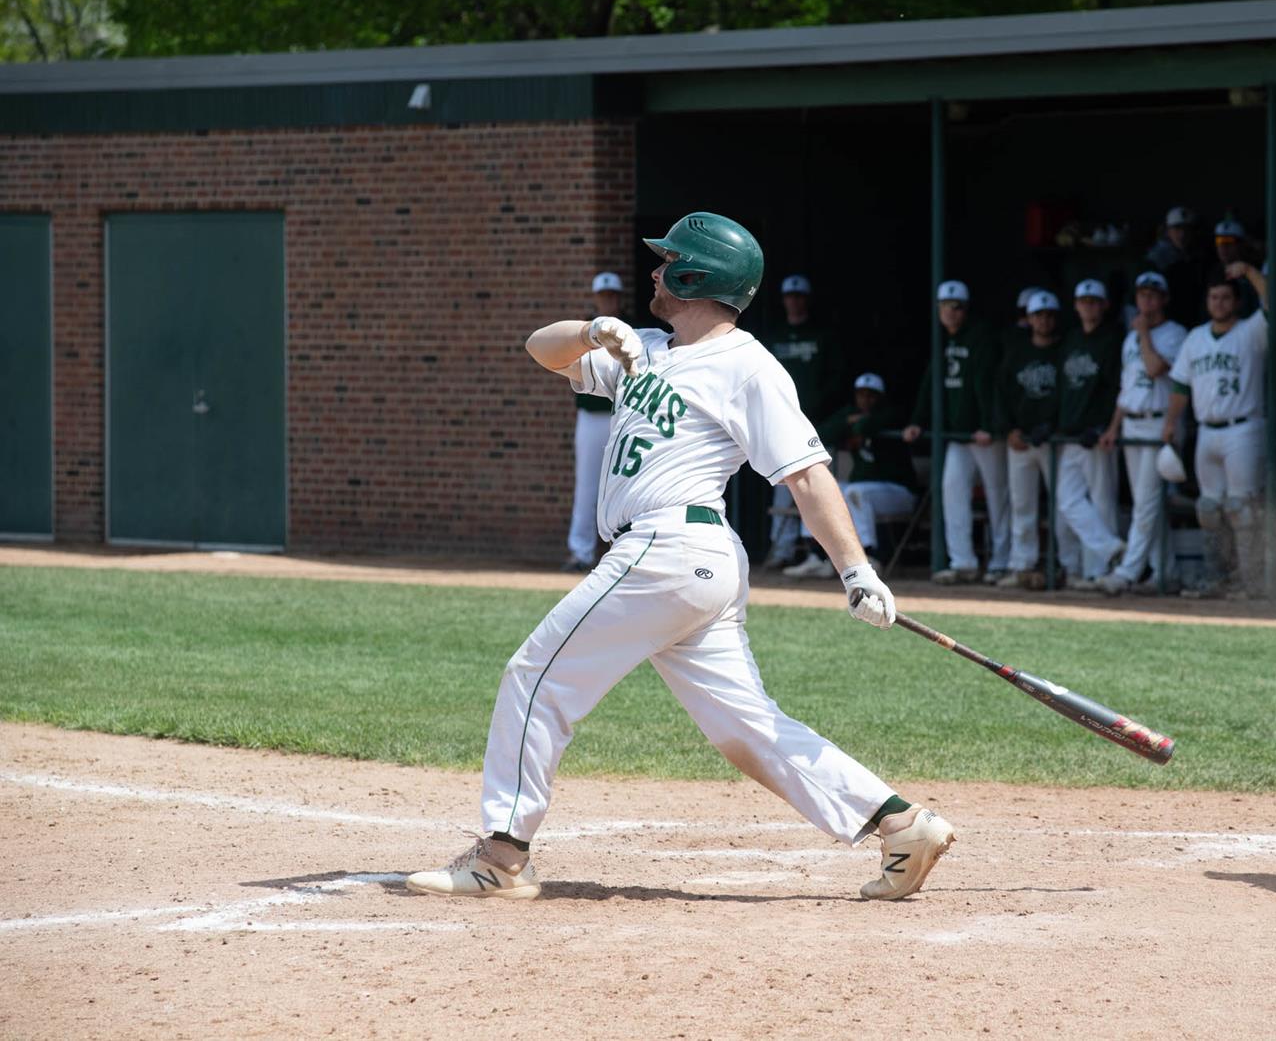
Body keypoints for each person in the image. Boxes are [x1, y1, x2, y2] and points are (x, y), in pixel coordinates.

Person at [406, 212, 955, 903]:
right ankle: (900, 823)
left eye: (669, 263)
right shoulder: (645, 349)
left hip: (668, 548)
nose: (657, 272)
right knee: (745, 727)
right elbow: (538, 349)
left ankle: (500, 856)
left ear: (700, 276)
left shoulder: (747, 365)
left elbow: (807, 474)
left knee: (535, 676)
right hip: (686, 562)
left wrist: (856, 570)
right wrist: (588, 332)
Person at [1163, 265, 1270, 598]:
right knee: (1209, 509)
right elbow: (1180, 386)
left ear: (1236, 301)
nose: (1219, 302)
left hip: (1243, 428)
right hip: (1206, 431)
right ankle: (1218, 578)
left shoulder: (1250, 331)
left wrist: (1251, 272)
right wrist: (1170, 423)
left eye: (1225, 297)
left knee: (1241, 509)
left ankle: (1249, 581)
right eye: (1214, 297)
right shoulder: (1195, 338)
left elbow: (1274, 302)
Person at [903, 280, 1011, 585]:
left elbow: (989, 385)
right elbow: (930, 384)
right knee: (951, 490)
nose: (950, 313)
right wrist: (918, 420)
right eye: (944, 307)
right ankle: (962, 561)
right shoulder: (942, 340)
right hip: (957, 435)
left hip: (983, 435)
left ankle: (1001, 562)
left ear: (965, 309)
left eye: (956, 307)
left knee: (997, 496)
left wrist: (990, 426)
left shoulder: (981, 336)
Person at [1100, 271, 1189, 595]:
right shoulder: (1130, 338)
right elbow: (1127, 387)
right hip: (1132, 421)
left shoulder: (1174, 333)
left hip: (1158, 423)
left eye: (1153, 295)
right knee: (1145, 504)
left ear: (1164, 299)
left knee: (1147, 504)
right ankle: (1166, 572)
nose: (1146, 301)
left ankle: (1127, 573)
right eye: (1142, 295)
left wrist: (1143, 335)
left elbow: (1155, 369)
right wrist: (1113, 427)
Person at [786, 373, 918, 578]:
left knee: (857, 492)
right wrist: (848, 422)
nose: (866, 400)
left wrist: (856, 426)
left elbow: (870, 424)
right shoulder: (850, 413)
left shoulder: (892, 413)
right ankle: (817, 556)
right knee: (817, 489)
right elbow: (821, 433)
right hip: (867, 488)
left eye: (871, 396)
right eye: (861, 395)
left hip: (899, 492)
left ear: (881, 397)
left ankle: (870, 557)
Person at [762, 273, 848, 568]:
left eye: (799, 297)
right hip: (781, 422)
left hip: (815, 423)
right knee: (782, 486)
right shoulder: (775, 336)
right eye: (790, 297)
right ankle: (782, 549)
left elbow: (837, 380)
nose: (794, 302)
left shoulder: (823, 336)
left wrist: (816, 407)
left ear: (807, 300)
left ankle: (817, 552)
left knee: (813, 483)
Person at [1053, 279, 1126, 588]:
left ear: (1105, 305)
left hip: (1097, 436)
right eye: (1084, 301)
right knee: (1066, 500)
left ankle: (1100, 573)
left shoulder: (1112, 339)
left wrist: (1107, 427)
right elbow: (1063, 388)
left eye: (1094, 301)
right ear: (1076, 305)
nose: (1089, 306)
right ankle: (1110, 550)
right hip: (1071, 434)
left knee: (1102, 502)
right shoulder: (1070, 339)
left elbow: (1117, 389)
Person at [995, 289, 1067, 589]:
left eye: (1050, 315)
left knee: (1063, 504)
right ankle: (1021, 565)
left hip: (1054, 442)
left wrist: (1055, 427)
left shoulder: (1064, 351)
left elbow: (1069, 395)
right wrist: (1008, 429)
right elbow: (1000, 395)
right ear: (1029, 318)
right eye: (1039, 315)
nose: (1044, 321)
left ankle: (1070, 565)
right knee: (1022, 505)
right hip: (1021, 440)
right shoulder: (1017, 353)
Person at [565, 272, 626, 570]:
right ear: (596, 298)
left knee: (625, 483)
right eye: (603, 295)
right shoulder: (583, 331)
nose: (608, 300)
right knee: (586, 486)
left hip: (620, 416)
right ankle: (581, 551)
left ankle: (622, 553)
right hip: (590, 416)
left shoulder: (631, 330)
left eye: (612, 295)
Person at [1145, 206, 1205, 328]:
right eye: (1177, 229)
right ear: (1168, 230)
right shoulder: (1156, 257)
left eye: (1186, 229)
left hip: (1192, 319)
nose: (1182, 234)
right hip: (1165, 321)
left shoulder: (1198, 255)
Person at [1212, 219, 1258, 318]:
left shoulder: (1254, 272)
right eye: (1219, 241)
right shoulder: (1212, 272)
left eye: (1229, 241)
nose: (1223, 247)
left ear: (1241, 244)